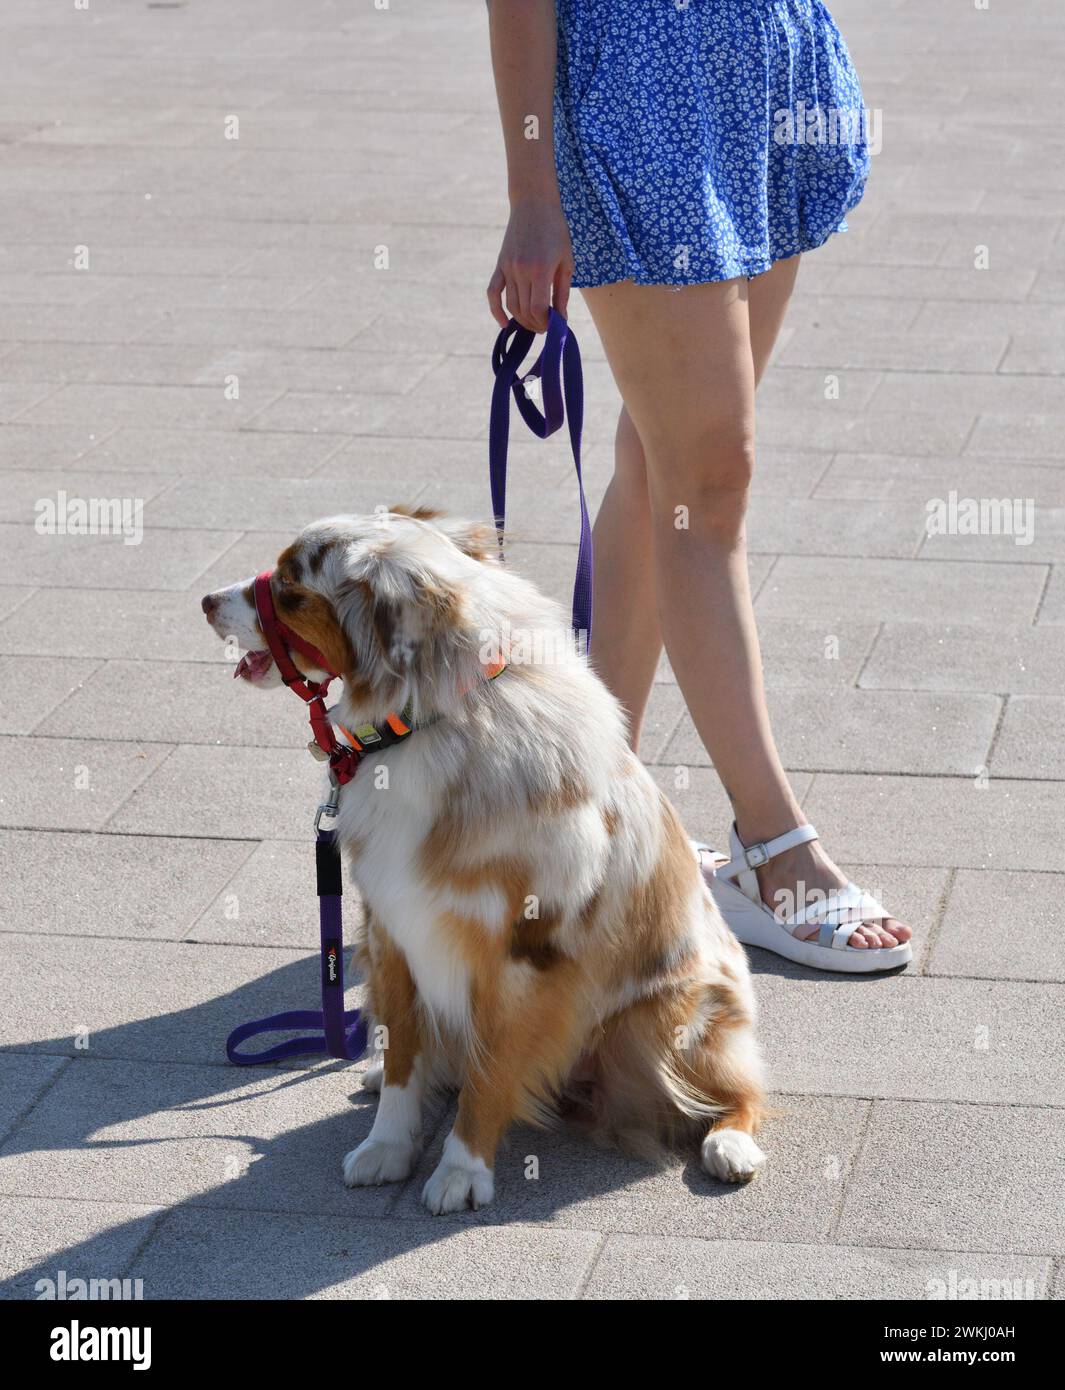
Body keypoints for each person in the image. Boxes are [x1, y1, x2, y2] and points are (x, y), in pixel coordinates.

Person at [485, 0, 911, 971]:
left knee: (663, 459)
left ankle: (583, 814)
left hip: (767, 70)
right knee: (707, 481)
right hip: (641, 102)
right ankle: (774, 848)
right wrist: (532, 191)